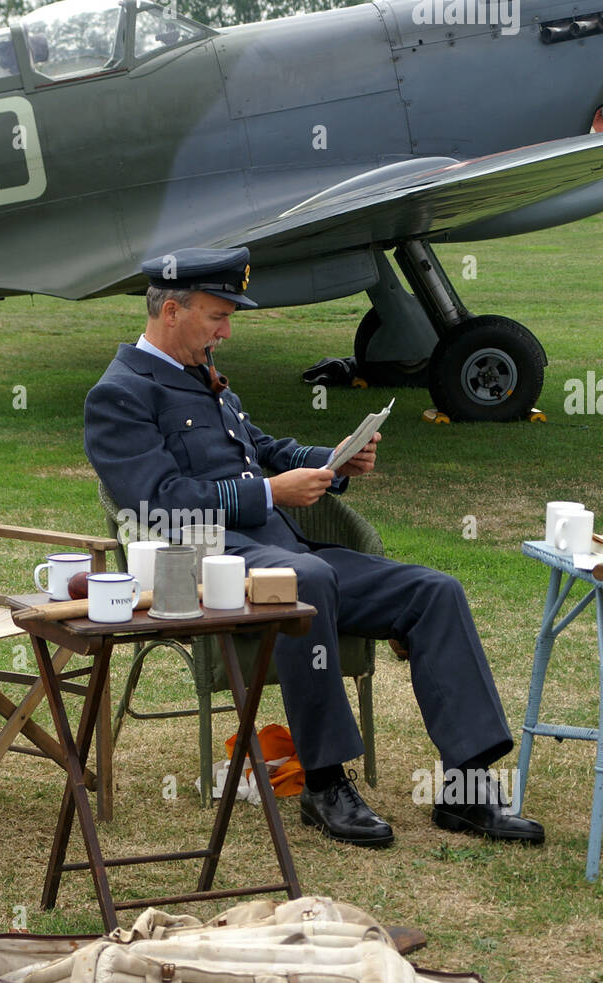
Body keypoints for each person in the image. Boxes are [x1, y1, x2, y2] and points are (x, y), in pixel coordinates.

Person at [84, 247, 544, 848]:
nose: (226, 331)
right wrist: (270, 494)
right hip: (206, 568)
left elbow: (260, 447)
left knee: (434, 591)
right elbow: (159, 503)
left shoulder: (204, 374)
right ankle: (325, 784)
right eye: (217, 316)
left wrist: (329, 460)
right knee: (307, 578)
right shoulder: (120, 393)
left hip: (287, 554)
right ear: (171, 310)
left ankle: (465, 788)